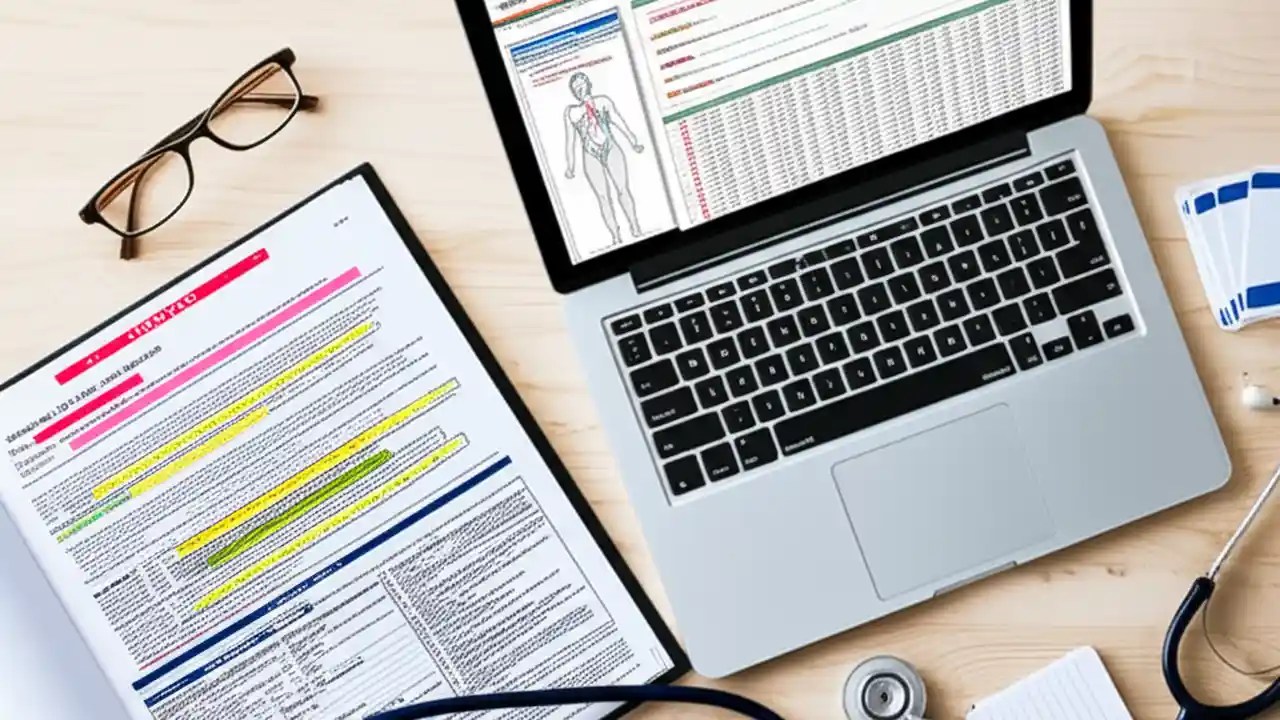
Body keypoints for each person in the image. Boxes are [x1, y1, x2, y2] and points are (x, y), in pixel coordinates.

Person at [563, 72, 645, 244]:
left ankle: (634, 225)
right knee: (602, 197)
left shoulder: (603, 101)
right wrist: (570, 166)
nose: (579, 89)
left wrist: (633, 141)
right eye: (575, 87)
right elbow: (570, 141)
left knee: (623, 189)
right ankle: (615, 234)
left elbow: (618, 121)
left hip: (611, 147)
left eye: (581, 84)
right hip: (590, 153)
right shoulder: (572, 112)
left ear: (589, 84)